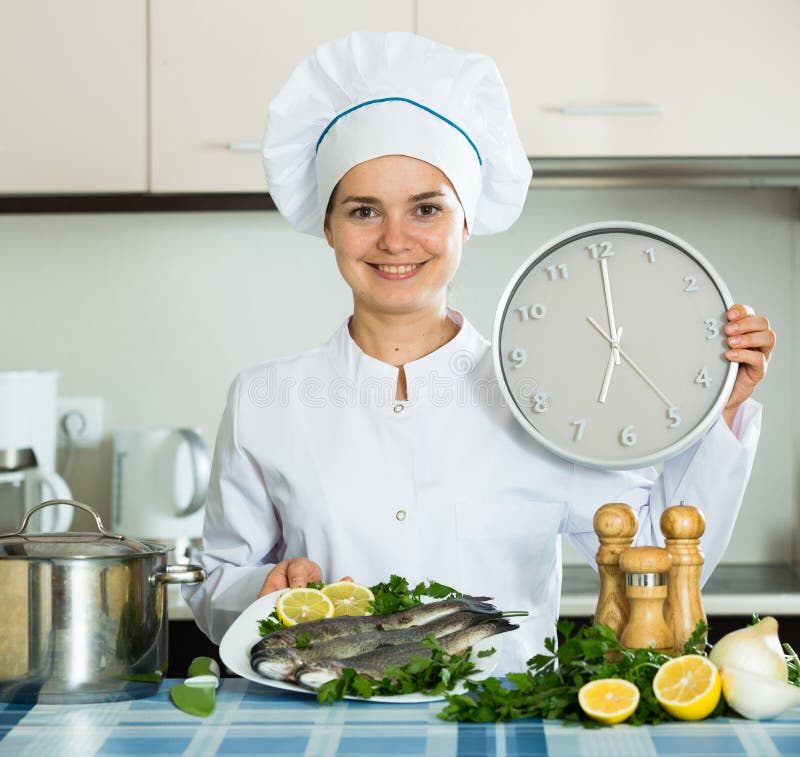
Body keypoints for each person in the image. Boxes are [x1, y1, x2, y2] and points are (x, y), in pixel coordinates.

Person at [184, 31, 776, 673]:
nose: (394, 239)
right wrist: (262, 591)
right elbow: (220, 583)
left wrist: (717, 412)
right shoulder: (266, 400)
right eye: (362, 211)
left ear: (466, 222)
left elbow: (659, 568)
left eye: (426, 209)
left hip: (502, 722)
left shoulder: (547, 396)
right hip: (330, 720)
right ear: (328, 227)